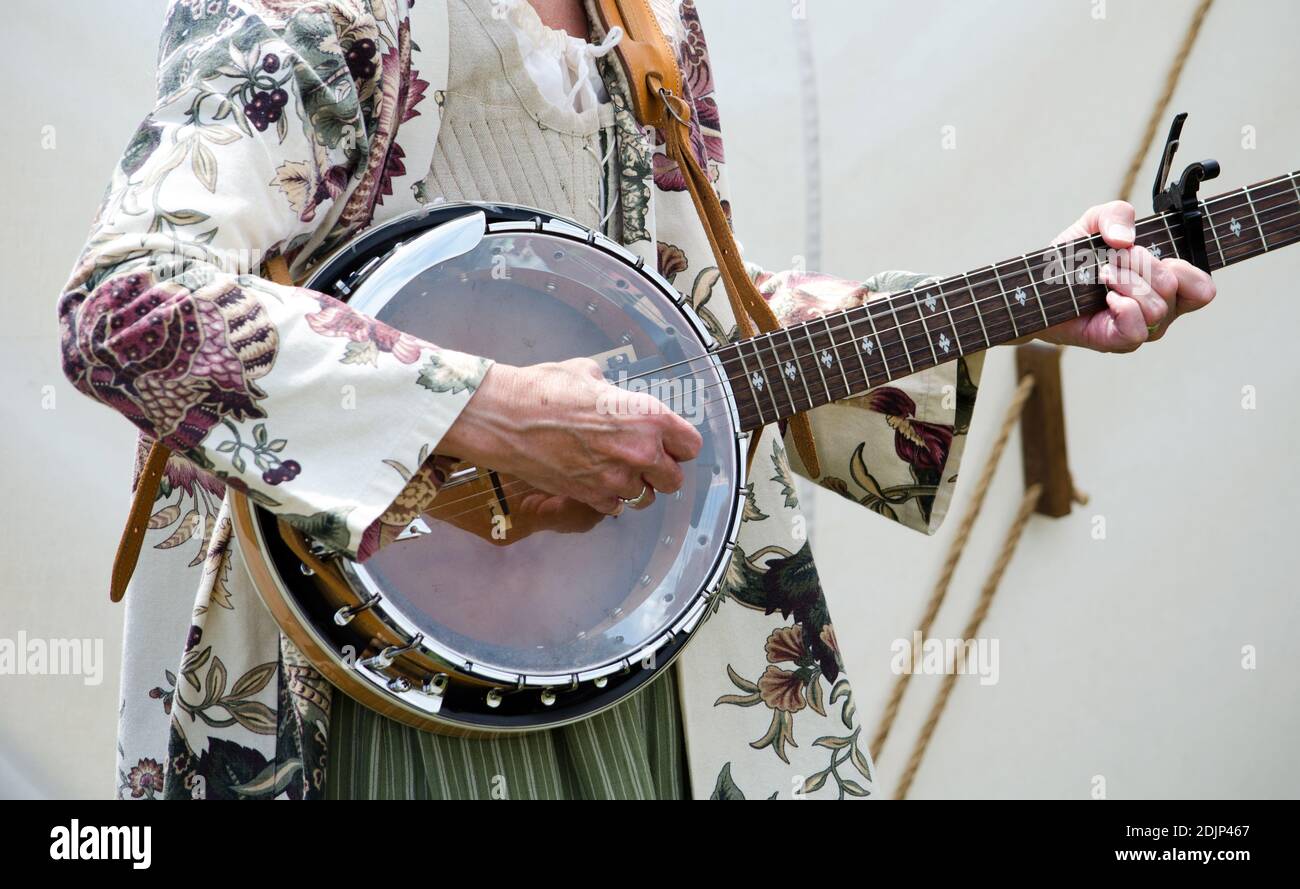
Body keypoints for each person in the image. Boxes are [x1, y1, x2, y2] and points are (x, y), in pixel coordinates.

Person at [58, 0, 1215, 800]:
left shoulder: (646, 20)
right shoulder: (307, 13)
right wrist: (484, 409)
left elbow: (693, 320)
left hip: (630, 661)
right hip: (367, 688)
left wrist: (1016, 301)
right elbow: (126, 305)